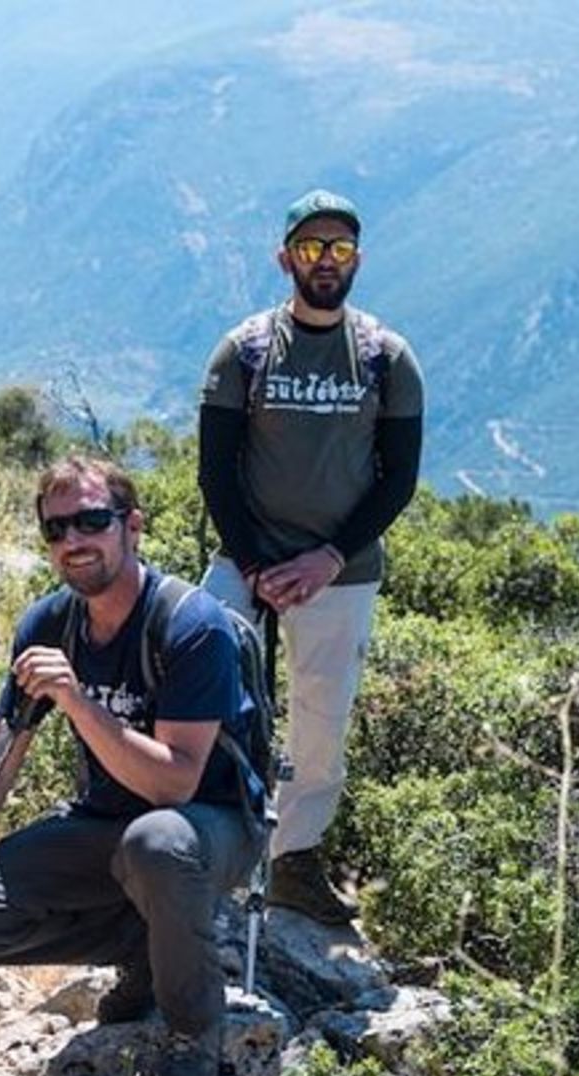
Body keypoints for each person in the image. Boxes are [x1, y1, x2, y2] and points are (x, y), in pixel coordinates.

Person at [0, 457, 263, 1076]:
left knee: (157, 843)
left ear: (133, 526)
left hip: (211, 828)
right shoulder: (49, 624)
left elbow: (176, 784)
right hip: (109, 824)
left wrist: (76, 701)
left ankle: (193, 1034)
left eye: (92, 521)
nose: (73, 542)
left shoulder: (191, 625)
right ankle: (147, 954)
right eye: (56, 529)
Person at [195, 188, 424, 925]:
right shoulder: (245, 350)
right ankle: (206, 846)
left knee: (321, 723)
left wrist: (327, 557)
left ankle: (294, 862)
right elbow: (216, 470)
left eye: (340, 249)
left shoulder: (387, 358)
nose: (326, 262)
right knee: (210, 705)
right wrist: (259, 565)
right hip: (248, 563)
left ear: (357, 259)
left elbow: (400, 479)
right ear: (285, 257)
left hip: (341, 572)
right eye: (312, 247)